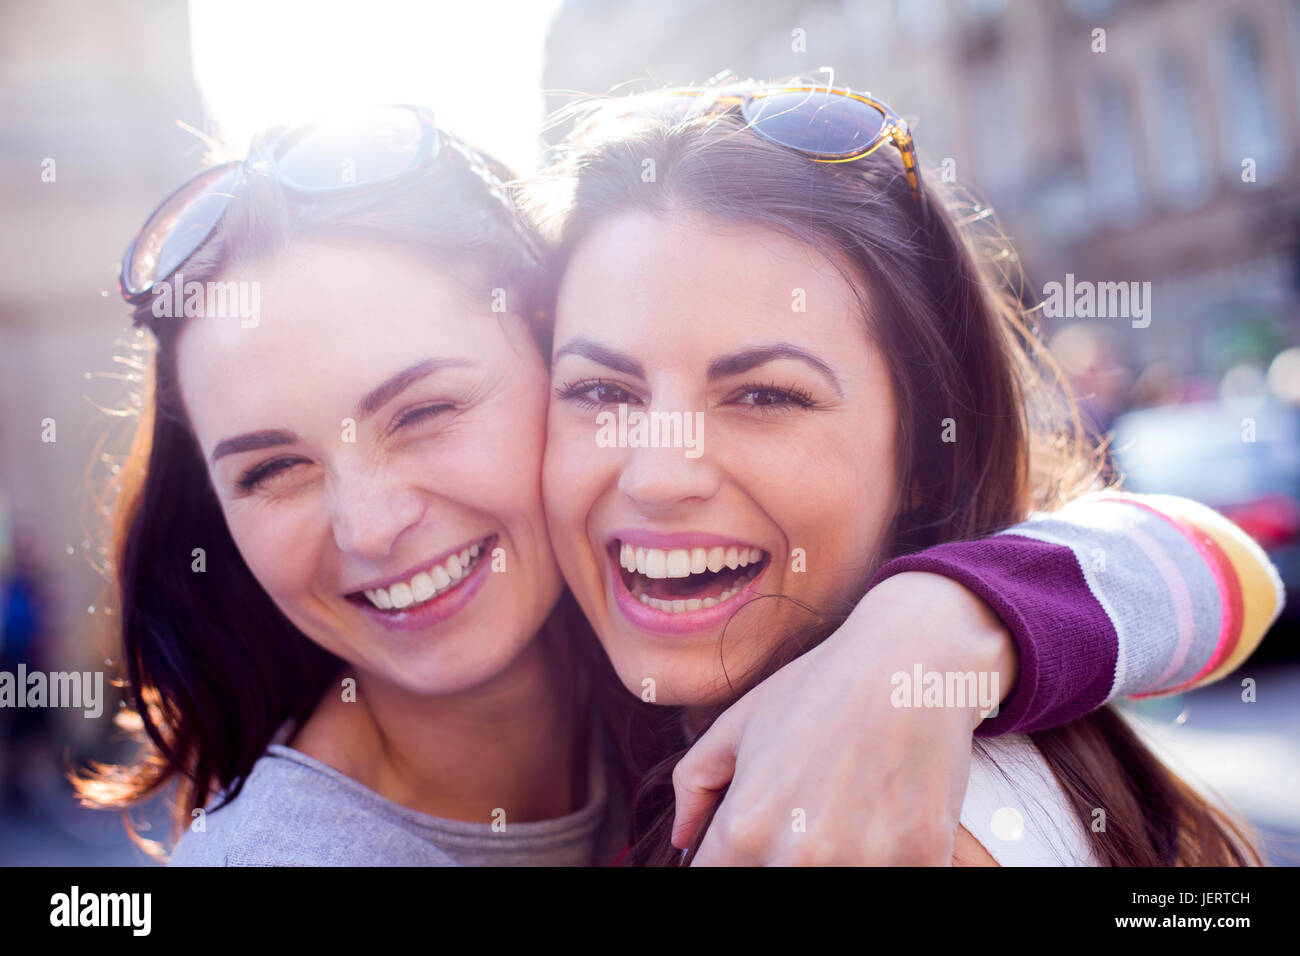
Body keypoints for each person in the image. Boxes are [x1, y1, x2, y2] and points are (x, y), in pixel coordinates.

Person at [77, 104, 1280, 866]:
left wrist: (937, 629)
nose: (370, 519)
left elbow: (1220, 568)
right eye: (273, 468)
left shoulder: (696, 690)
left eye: (429, 409)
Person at [526, 82, 1283, 865]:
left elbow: (1240, 578)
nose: (657, 476)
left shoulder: (889, 827)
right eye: (600, 391)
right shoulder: (590, 719)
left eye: (765, 395)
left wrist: (933, 634)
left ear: (925, 452)